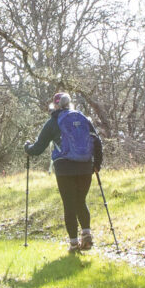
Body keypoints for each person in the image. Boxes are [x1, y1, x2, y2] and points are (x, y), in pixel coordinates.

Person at [25, 92, 101, 250]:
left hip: (65, 168)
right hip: (86, 167)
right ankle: (86, 234)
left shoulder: (53, 121)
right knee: (81, 201)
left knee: (69, 205)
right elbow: (97, 141)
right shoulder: (83, 118)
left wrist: (27, 148)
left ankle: (74, 244)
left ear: (56, 105)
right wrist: (97, 164)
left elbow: (38, 148)